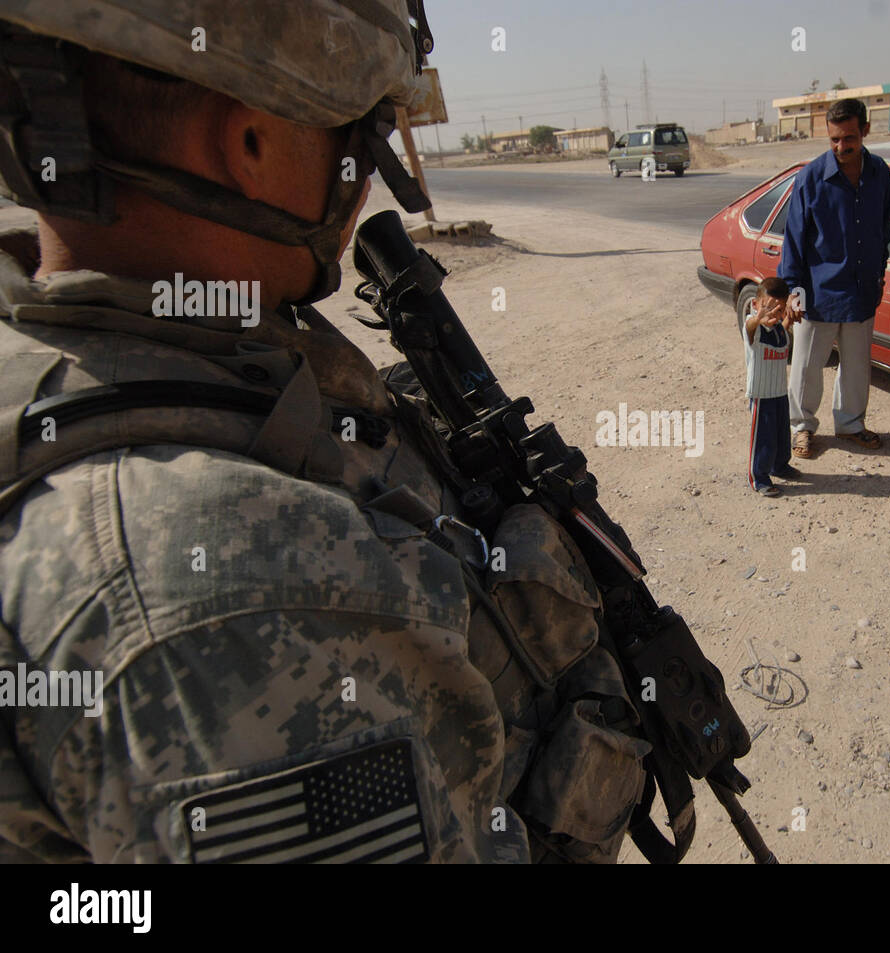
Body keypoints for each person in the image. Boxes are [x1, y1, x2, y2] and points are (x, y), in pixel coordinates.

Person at [0, 1, 648, 863]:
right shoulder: (236, 579)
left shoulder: (158, 366)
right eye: (359, 140)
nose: (362, 182)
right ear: (253, 141)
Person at [779, 97, 890, 460]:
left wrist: (879, 274)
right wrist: (793, 291)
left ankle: (850, 424)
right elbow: (794, 239)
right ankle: (801, 427)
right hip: (818, 292)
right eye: (834, 140)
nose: (842, 147)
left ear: (865, 131)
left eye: (849, 139)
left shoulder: (880, 174)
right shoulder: (810, 178)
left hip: (861, 291)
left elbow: (882, 230)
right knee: (807, 367)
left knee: (857, 365)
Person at [741, 277, 798, 497]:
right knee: (763, 438)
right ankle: (759, 478)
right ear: (756, 304)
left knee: (781, 435)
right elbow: (749, 326)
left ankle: (780, 466)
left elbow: (781, 331)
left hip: (780, 393)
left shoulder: (779, 329)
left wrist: (790, 319)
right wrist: (758, 318)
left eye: (779, 308)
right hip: (762, 394)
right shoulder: (753, 327)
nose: (773, 313)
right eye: (768, 306)